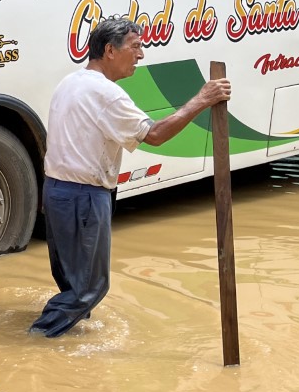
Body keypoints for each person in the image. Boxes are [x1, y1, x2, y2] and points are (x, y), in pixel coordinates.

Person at [29, 17, 231, 338]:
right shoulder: (107, 93)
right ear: (110, 50)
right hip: (83, 196)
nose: (141, 55)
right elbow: (155, 135)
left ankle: (65, 341)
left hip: (57, 191)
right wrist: (203, 99)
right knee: (90, 288)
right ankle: (38, 341)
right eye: (135, 47)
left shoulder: (69, 82)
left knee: (72, 281)